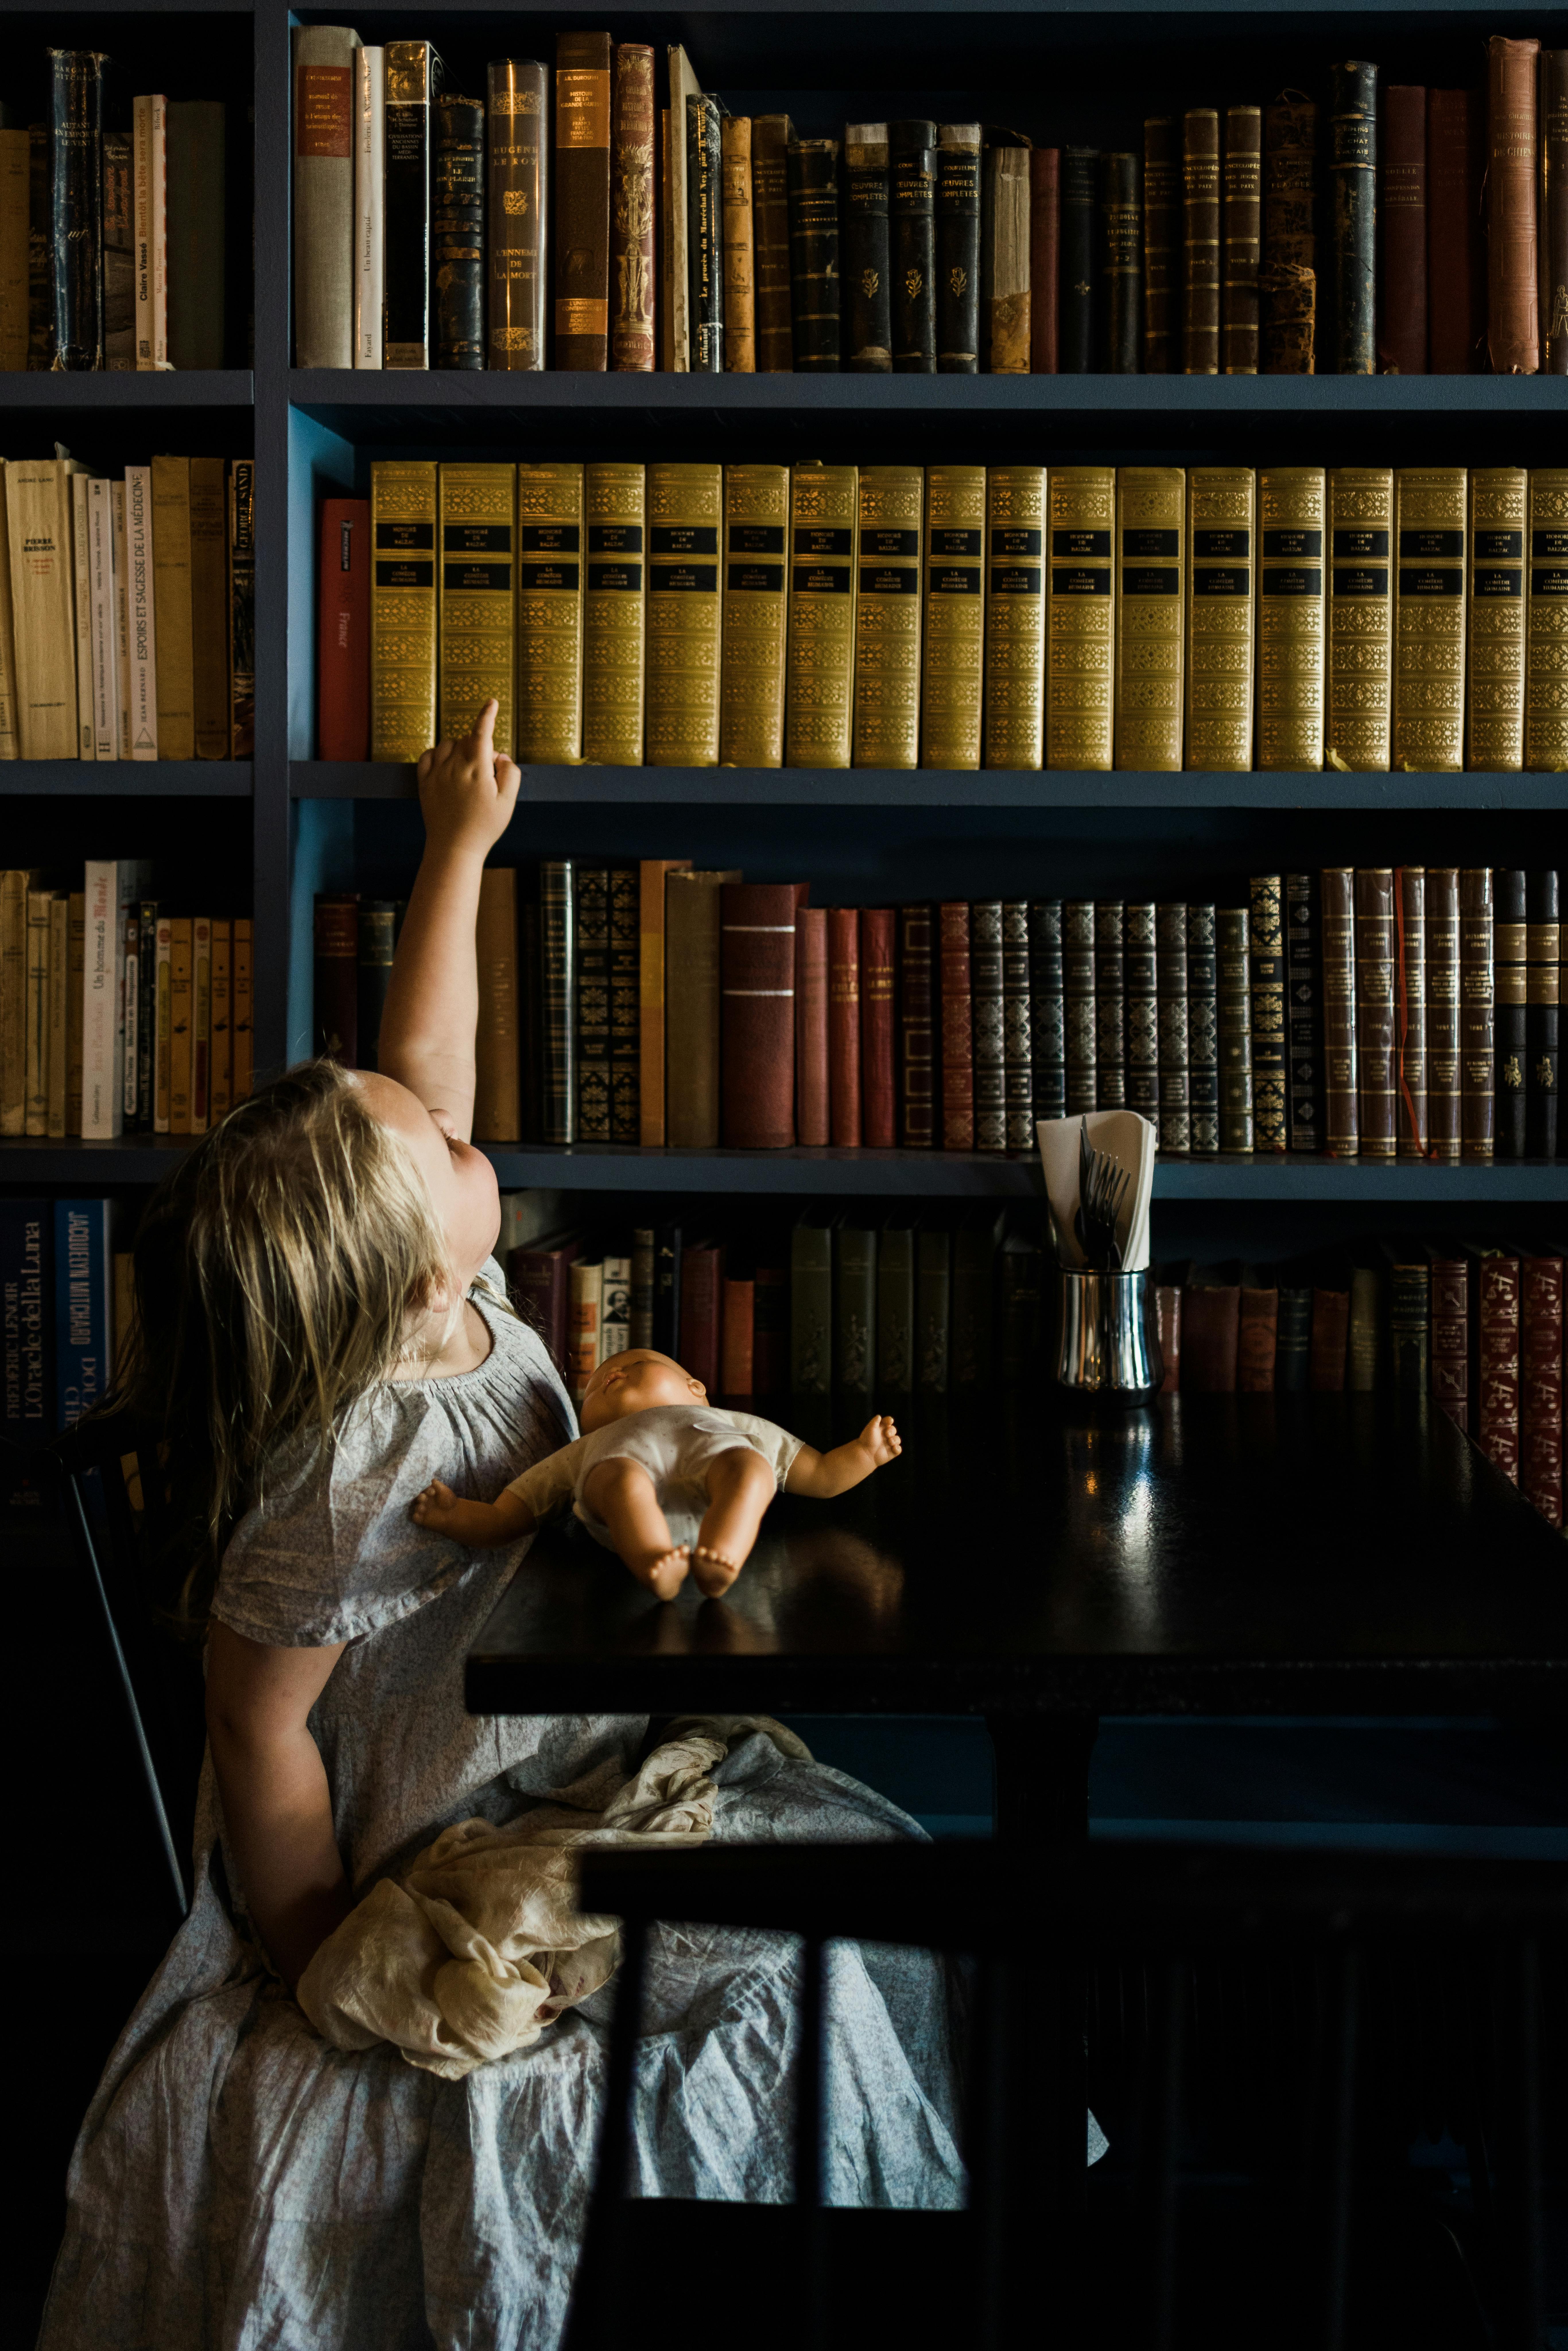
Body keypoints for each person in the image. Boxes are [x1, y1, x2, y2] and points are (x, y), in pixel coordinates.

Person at [38, 705, 965, 2351]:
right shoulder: (348, 1466)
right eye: (448, 1151)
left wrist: (457, 849)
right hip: (431, 1824)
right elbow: (255, 1728)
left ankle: (841, 2267)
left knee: (840, 1929)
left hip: (569, 1749)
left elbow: (428, 1069)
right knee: (739, 1983)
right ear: (410, 1278)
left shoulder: (438, 1293)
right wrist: (331, 1947)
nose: (464, 1129)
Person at [410, 1342, 903, 1592]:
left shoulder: (730, 1423)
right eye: (601, 1382)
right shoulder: (593, 1447)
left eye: (635, 1364)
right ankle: (652, 1560)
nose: (612, 1373)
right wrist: (457, 1517)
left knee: (749, 1468)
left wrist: (863, 1455)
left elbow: (818, 1476)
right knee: (619, 1481)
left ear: (696, 1390)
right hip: (625, 1487)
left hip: (713, 1480)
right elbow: (510, 1515)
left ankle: (723, 1549)